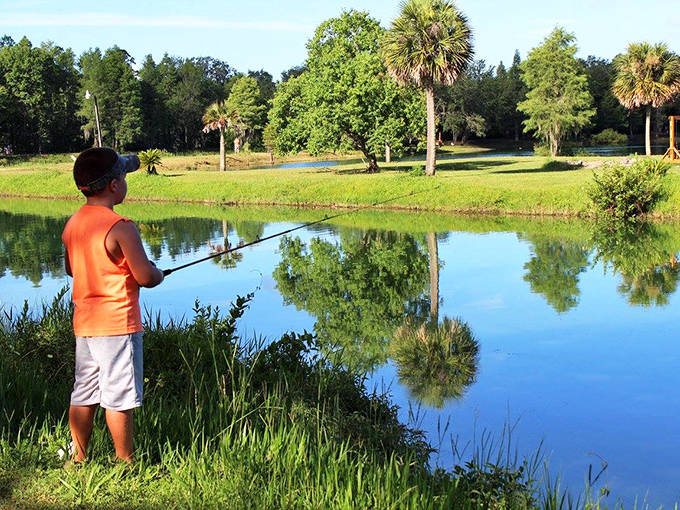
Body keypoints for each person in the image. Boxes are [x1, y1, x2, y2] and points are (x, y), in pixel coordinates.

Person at [61, 147, 164, 463]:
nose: (125, 180)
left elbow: (70, 269)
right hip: (118, 326)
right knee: (119, 397)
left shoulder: (73, 224)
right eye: (123, 175)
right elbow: (145, 276)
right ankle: (125, 461)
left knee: (84, 393)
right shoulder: (121, 226)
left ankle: (79, 457)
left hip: (86, 326)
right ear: (114, 185)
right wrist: (158, 273)